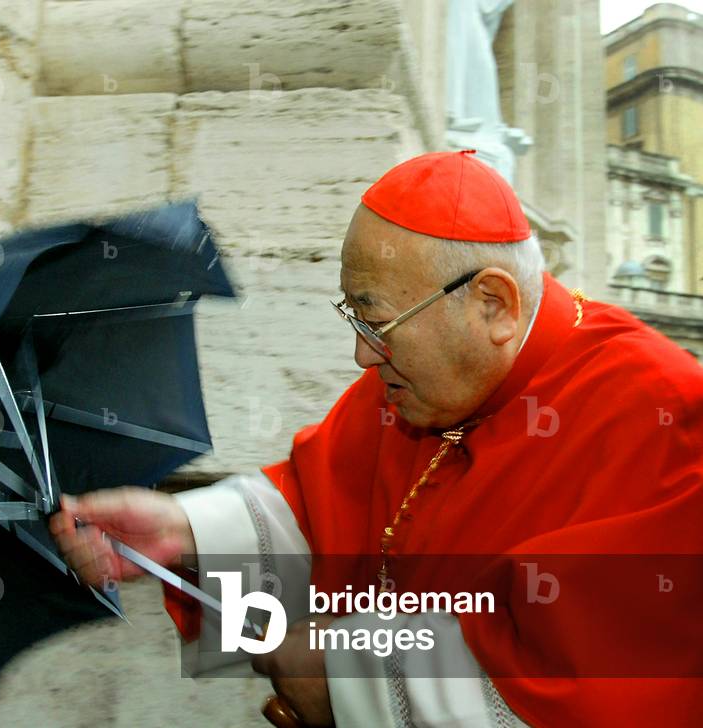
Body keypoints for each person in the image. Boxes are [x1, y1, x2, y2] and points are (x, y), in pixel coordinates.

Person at [50, 150, 703, 727]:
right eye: (354, 317)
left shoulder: (665, 418)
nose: (362, 356)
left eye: (378, 323)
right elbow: (318, 505)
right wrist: (181, 530)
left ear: (493, 305)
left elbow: (599, 685)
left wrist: (342, 678)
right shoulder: (413, 384)